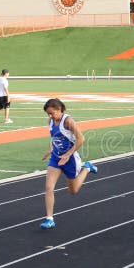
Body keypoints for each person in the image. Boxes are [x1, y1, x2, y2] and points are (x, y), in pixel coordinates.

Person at [40, 98, 98, 229]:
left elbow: (81, 138)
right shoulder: (50, 121)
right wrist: (51, 149)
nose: (50, 116)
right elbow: (55, 137)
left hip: (70, 159)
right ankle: (50, 219)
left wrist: (67, 155)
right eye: (48, 114)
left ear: (59, 109)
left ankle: (87, 168)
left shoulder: (68, 121)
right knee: (49, 187)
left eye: (51, 113)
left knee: (73, 190)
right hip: (56, 158)